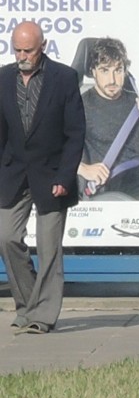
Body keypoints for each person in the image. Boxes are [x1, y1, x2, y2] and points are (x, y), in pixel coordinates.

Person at [0, 21, 85, 334]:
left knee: (49, 248)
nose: (22, 56)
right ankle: (26, 305)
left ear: (43, 46)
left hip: (52, 175)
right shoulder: (3, 78)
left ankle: (42, 316)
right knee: (5, 236)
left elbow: (75, 133)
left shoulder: (64, 78)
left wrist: (66, 174)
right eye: (17, 49)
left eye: (29, 50)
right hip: (13, 173)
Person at [77, 37, 139, 199]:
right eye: (104, 70)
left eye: (118, 70)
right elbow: (53, 152)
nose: (112, 80)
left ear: (125, 70)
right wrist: (83, 169)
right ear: (94, 72)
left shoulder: (133, 101)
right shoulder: (81, 105)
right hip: (114, 179)